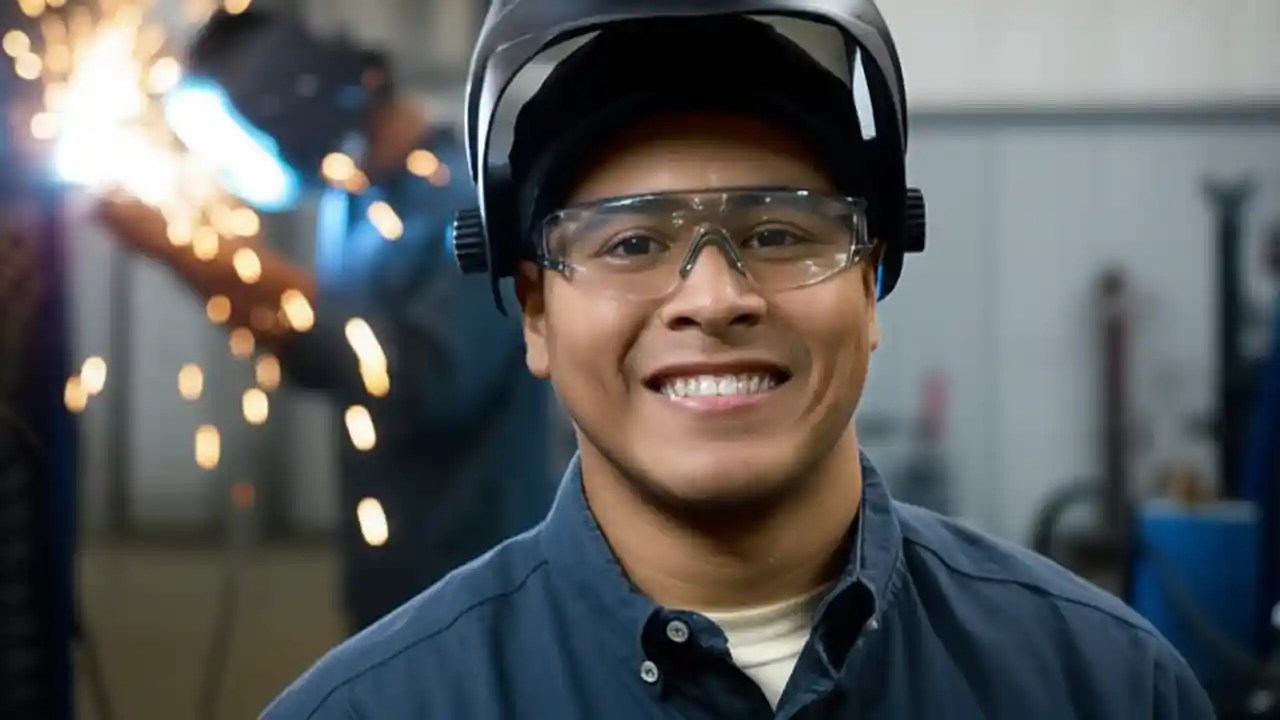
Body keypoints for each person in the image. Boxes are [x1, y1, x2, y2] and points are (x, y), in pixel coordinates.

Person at [262, 3, 1215, 718]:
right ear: (538, 312)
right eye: (630, 244)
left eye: (779, 232)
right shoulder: (377, 709)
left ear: (876, 277)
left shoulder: (1104, 686)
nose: (715, 300)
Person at [97, 8, 562, 632]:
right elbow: (317, 349)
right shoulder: (356, 207)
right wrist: (192, 263)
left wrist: (199, 254)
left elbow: (412, 380)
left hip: (482, 586)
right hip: (389, 584)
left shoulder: (460, 209)